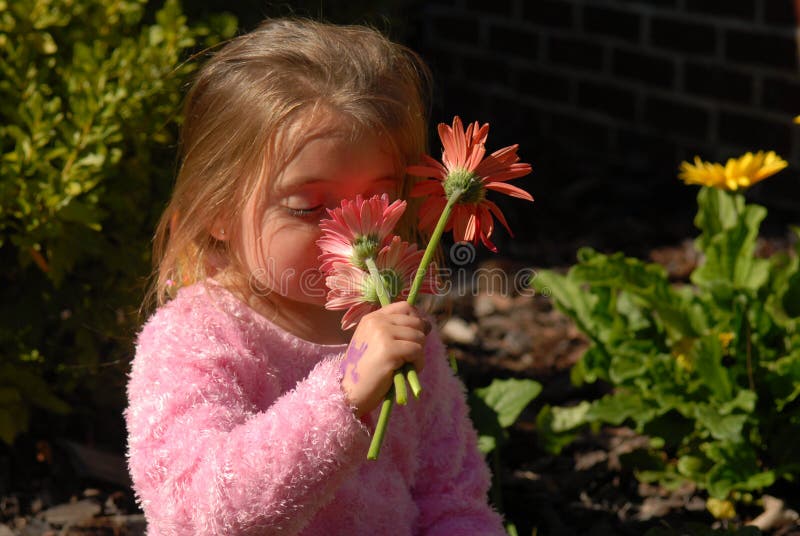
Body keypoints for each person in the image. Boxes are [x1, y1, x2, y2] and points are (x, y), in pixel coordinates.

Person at [125, 17, 506, 535]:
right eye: (307, 207)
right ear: (216, 209)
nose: (353, 232)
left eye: (380, 198)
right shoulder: (194, 340)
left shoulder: (399, 329)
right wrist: (344, 396)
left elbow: (452, 497)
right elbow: (199, 512)